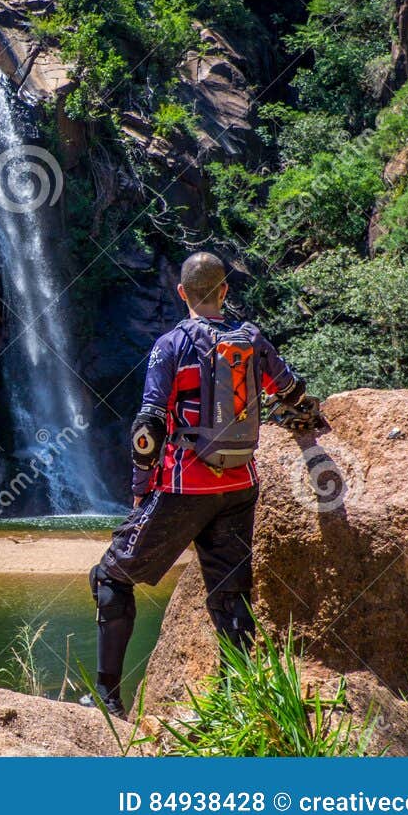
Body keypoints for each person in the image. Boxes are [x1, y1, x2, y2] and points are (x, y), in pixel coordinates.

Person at [86, 252, 319, 716]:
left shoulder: (171, 344)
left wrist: (139, 486)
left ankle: (108, 701)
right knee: (230, 595)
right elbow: (293, 391)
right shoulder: (251, 338)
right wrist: (305, 420)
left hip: (182, 490)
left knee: (110, 576)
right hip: (239, 488)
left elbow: (147, 425)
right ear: (225, 292)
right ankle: (240, 704)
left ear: (182, 293)